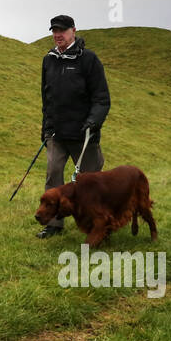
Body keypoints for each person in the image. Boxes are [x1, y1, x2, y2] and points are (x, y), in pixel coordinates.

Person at [37, 15, 111, 237]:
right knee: (53, 177)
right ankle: (53, 225)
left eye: (62, 30)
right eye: (54, 31)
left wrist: (93, 122)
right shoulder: (48, 60)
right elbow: (46, 98)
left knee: (91, 182)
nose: (58, 35)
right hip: (57, 134)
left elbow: (101, 98)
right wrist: (46, 129)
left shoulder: (88, 60)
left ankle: (100, 225)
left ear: (73, 31)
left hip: (84, 134)